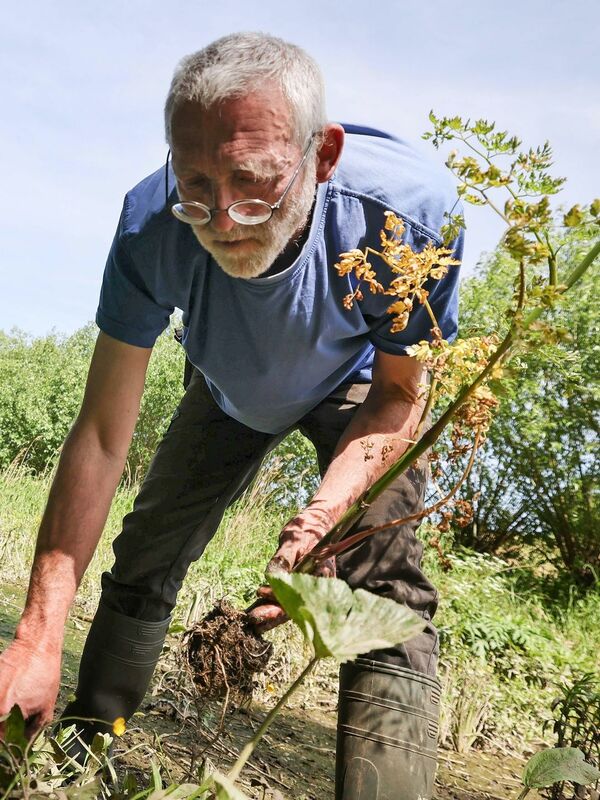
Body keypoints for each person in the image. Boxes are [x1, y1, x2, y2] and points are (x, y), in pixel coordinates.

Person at [0, 32, 462, 799]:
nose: (222, 220)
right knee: (146, 554)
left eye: (252, 183)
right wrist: (38, 634)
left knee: (386, 582)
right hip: (228, 386)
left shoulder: (410, 224)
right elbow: (103, 434)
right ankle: (80, 757)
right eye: (196, 185)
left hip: (358, 389)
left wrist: (321, 518)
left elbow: (399, 394)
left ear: (322, 156)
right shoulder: (152, 226)